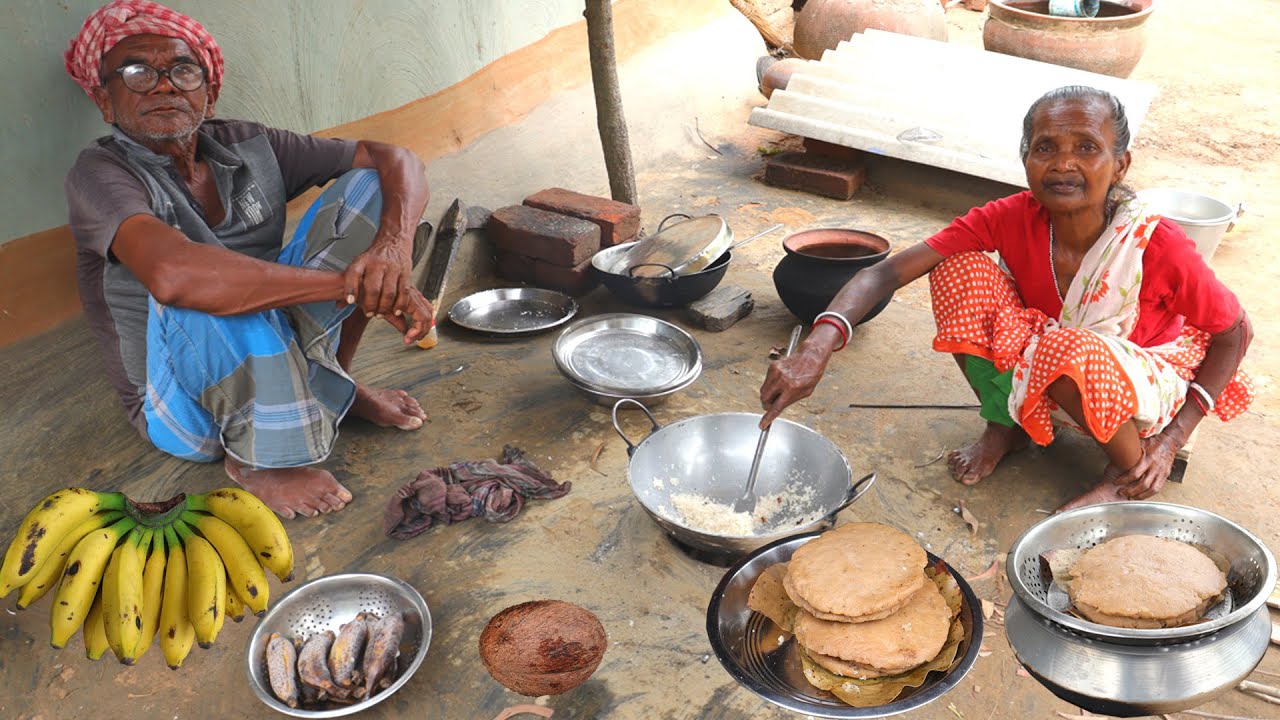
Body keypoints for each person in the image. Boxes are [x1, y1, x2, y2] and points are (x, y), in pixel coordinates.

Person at [759, 85, 1254, 510]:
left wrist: (1173, 441)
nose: (1064, 163)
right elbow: (886, 272)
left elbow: (1235, 332)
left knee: (1065, 348)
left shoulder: (1156, 243)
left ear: (1120, 164)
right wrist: (816, 348)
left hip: (1146, 372)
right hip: (1058, 352)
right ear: (1026, 162)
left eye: (1087, 147)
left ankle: (1128, 474)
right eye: (1045, 147)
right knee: (958, 270)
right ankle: (1006, 425)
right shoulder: (1011, 215)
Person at [64, 1, 436, 519]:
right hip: (181, 405)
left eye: (182, 70)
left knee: (372, 188)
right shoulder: (99, 173)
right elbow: (176, 277)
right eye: (137, 73)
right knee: (199, 282)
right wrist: (352, 286)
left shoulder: (245, 142)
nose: (165, 85)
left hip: (271, 340)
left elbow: (397, 158)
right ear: (106, 101)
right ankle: (262, 462)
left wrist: (391, 252)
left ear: (209, 94)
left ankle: (332, 390)